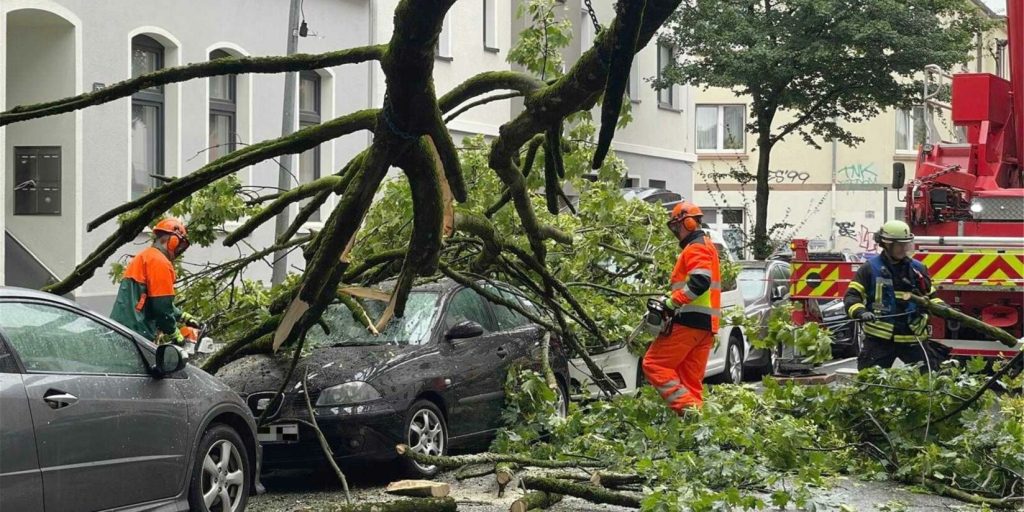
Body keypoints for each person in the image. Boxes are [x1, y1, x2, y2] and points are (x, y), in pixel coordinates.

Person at [642, 202, 721, 413]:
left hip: (689, 322)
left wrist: (671, 302)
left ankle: (687, 411)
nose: (676, 232)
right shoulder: (706, 246)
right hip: (704, 326)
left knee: (654, 364)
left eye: (677, 226)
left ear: (687, 222)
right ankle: (695, 428)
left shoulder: (696, 247)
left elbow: (699, 282)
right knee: (690, 384)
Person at [844, 220, 944, 371]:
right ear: (886, 244)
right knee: (870, 383)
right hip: (880, 341)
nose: (904, 249)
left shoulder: (918, 269)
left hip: (913, 338)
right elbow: (852, 297)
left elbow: (932, 297)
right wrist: (861, 312)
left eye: (906, 244)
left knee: (931, 380)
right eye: (899, 245)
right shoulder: (869, 269)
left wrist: (943, 308)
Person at [110, 217, 198, 345]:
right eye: (180, 244)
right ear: (173, 240)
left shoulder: (145, 256)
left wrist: (181, 316)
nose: (180, 249)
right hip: (137, 331)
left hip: (121, 327)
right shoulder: (159, 262)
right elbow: (161, 306)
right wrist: (173, 331)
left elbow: (150, 299)